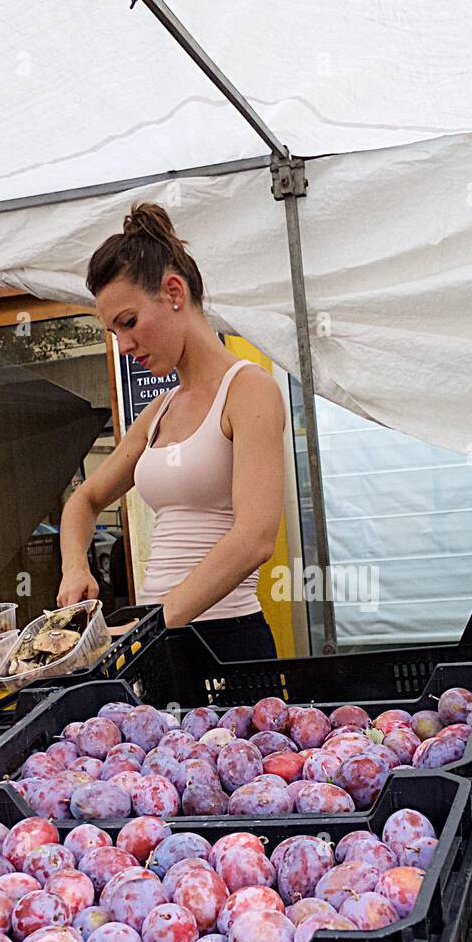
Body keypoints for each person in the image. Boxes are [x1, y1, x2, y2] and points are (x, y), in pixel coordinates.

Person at [58, 201, 286, 661]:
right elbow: (84, 500)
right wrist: (74, 567)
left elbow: (255, 538)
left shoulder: (249, 390)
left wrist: (154, 622)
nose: (123, 346)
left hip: (225, 643)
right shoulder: (159, 410)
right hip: (158, 641)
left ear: (174, 292)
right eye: (112, 332)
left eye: (128, 323)